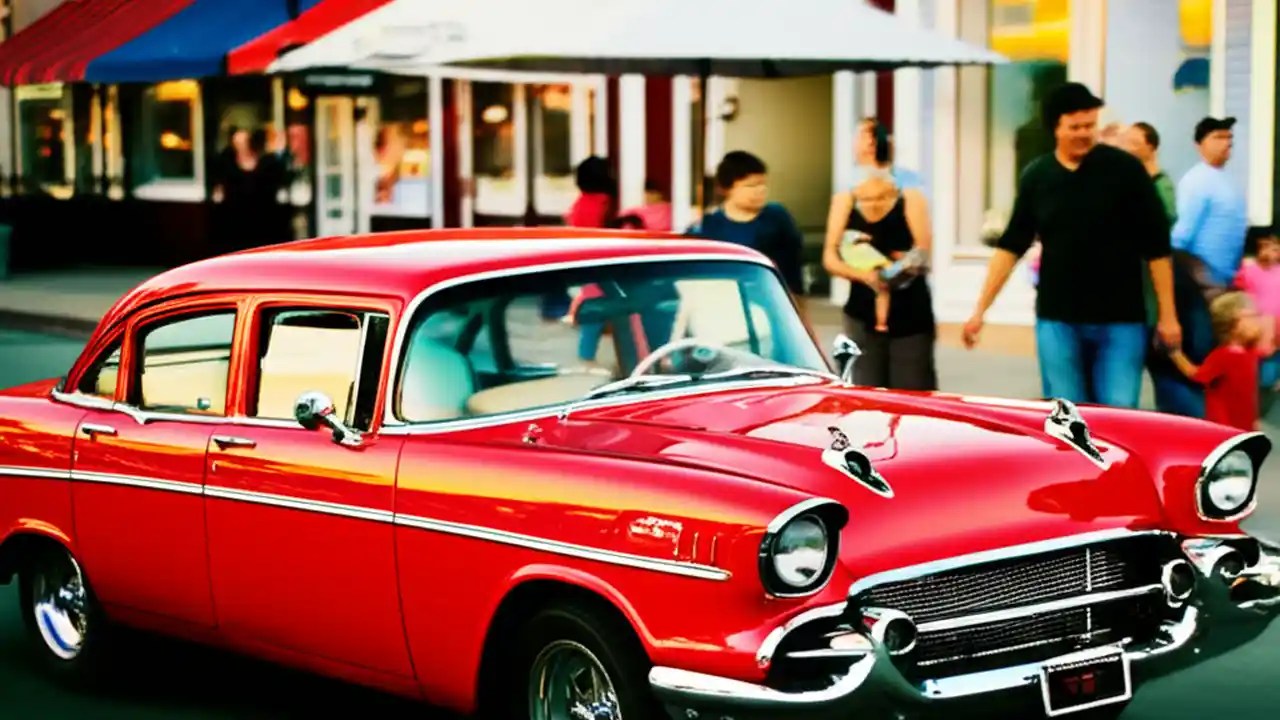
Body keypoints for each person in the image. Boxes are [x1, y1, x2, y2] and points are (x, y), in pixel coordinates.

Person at [962, 82, 1180, 409]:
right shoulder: (1038, 177)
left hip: (1121, 320)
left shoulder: (1126, 171)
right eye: (1075, 127)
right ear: (1056, 128)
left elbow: (1157, 248)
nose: (1083, 134)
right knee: (1067, 413)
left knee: (1118, 411)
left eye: (1089, 126)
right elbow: (1011, 247)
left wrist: (1168, 316)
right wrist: (980, 310)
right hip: (1058, 319)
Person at [1150, 116, 1248, 418]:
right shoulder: (1197, 181)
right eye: (1218, 137)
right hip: (1196, 289)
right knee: (1194, 358)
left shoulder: (1228, 181)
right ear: (1199, 144)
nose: (1226, 144)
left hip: (1221, 287)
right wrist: (1201, 280)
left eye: (1229, 138)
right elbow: (1180, 239)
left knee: (1215, 363)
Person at [823, 170, 937, 390]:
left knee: (910, 391)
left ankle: (882, 321)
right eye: (866, 199)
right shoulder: (845, 204)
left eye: (882, 198)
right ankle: (880, 322)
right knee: (865, 390)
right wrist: (864, 275)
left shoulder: (911, 200)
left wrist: (889, 273)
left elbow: (922, 254)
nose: (874, 204)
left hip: (910, 317)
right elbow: (830, 258)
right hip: (861, 315)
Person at [689, 151, 808, 319]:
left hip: (773, 302)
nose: (760, 191)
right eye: (750, 186)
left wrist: (799, 310)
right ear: (727, 189)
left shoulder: (777, 217)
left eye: (763, 184)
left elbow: (794, 269)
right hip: (724, 306)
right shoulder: (709, 226)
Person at [1166, 291, 1264, 431]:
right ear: (1232, 322)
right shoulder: (1223, 356)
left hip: (1244, 422)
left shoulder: (1250, 353)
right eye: (1251, 316)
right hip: (1223, 424)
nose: (1257, 321)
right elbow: (1197, 375)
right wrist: (1176, 354)